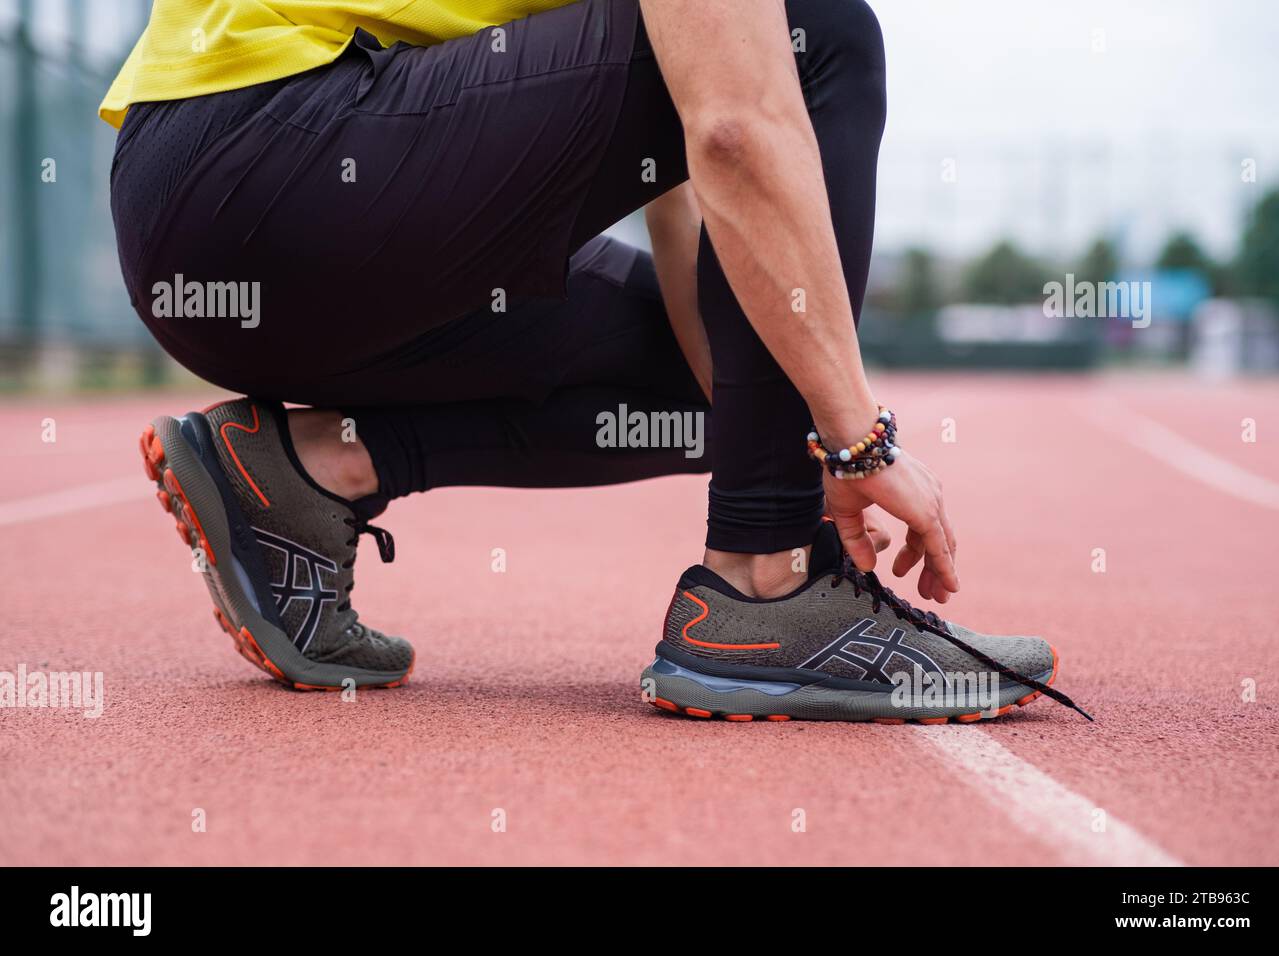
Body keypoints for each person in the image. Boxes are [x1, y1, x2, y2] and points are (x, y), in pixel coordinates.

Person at [107, 0, 1087, 720]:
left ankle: (310, 467)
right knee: (820, 33)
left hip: (224, 216)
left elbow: (689, 187)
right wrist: (856, 437)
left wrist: (790, 445)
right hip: (270, 150)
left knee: (741, 390)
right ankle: (765, 593)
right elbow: (737, 122)